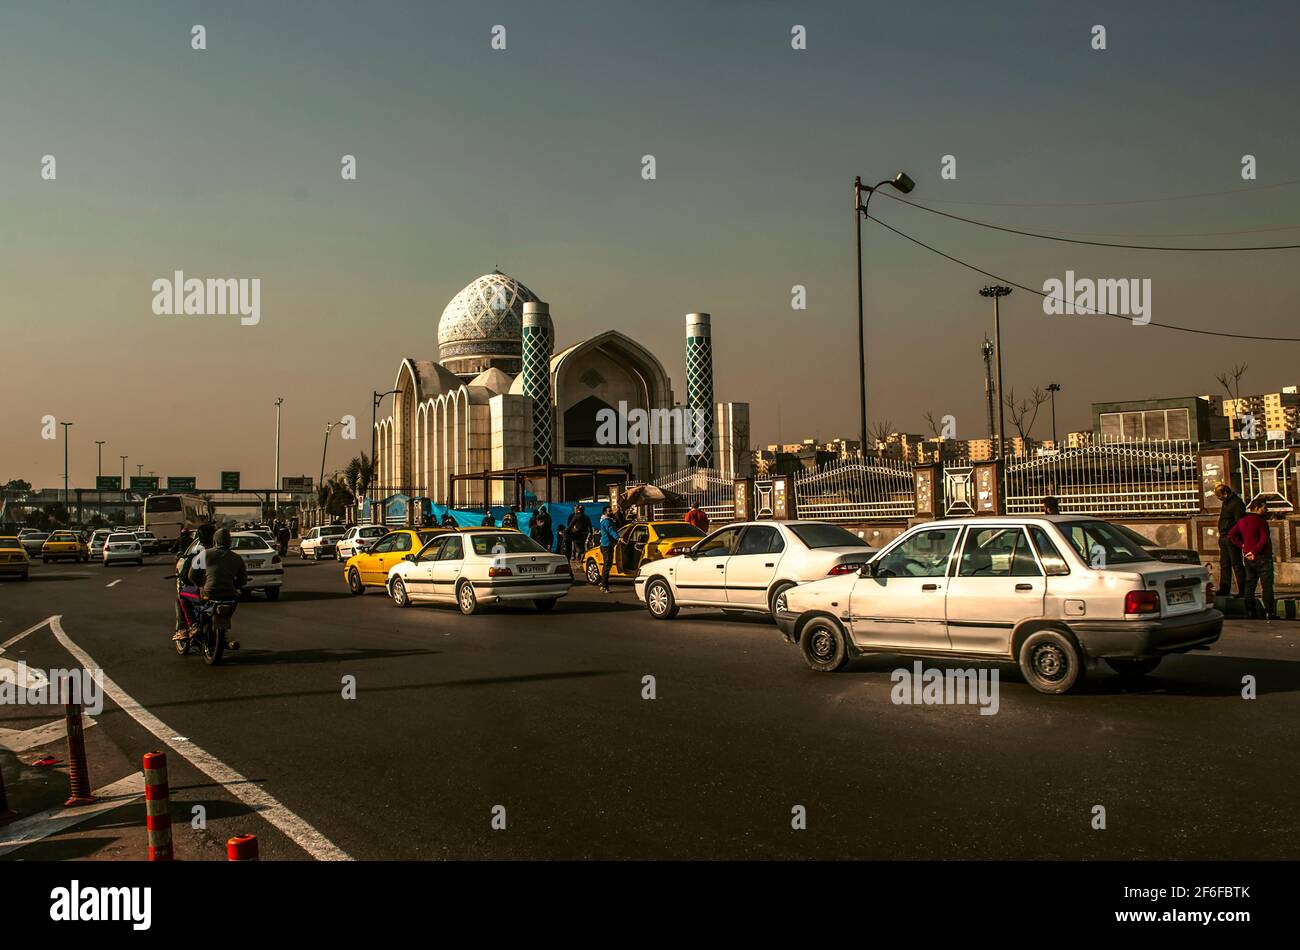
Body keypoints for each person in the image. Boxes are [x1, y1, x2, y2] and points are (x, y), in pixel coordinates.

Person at [1227, 496, 1276, 620]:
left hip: (1248, 558)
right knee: (1267, 585)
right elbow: (1264, 539)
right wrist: (1254, 551)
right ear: (1257, 508)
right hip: (1263, 557)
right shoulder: (1261, 521)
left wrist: (1243, 546)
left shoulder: (1242, 521)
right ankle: (1270, 612)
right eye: (1264, 507)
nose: (1266, 510)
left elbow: (1231, 535)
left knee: (1250, 585)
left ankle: (1250, 612)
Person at [183, 526, 248, 611]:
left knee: (184, 594)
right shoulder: (237, 558)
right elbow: (243, 580)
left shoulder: (205, 554)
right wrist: (231, 585)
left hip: (208, 594)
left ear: (215, 541)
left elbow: (191, 576)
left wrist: (201, 586)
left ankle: (192, 623)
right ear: (230, 541)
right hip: (230, 595)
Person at [173, 522, 215, 641]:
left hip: (204, 592)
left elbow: (188, 575)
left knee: (181, 596)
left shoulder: (200, 555)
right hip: (226, 592)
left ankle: (189, 626)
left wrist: (198, 584)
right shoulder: (229, 555)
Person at [1214, 481, 1247, 598]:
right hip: (1223, 536)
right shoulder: (1226, 503)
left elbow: (1240, 522)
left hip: (1231, 537)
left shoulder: (1237, 503)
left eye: (1220, 496)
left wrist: (1234, 536)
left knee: (1236, 564)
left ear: (1226, 493)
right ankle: (1224, 588)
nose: (1219, 499)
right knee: (1224, 563)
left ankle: (1243, 589)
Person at [597, 505, 620, 592]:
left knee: (607, 565)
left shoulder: (609, 520)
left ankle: (603, 582)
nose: (611, 512)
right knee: (607, 566)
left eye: (611, 511)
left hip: (608, 545)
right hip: (606, 546)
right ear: (605, 513)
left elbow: (616, 526)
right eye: (609, 511)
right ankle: (604, 585)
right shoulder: (606, 521)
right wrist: (618, 538)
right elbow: (611, 531)